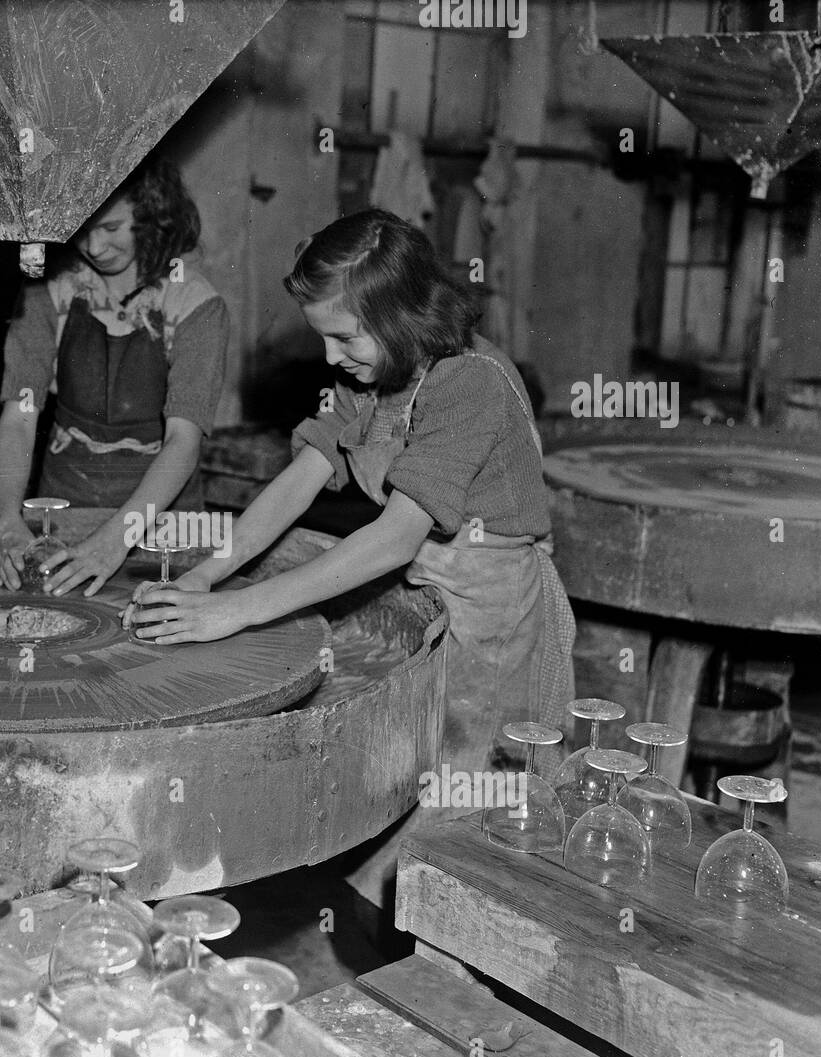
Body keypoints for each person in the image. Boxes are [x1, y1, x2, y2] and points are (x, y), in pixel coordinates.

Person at [125, 209, 576, 905]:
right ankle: (401, 927)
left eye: (343, 337)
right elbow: (297, 481)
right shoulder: (370, 380)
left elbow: (395, 537)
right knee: (409, 777)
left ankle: (453, 963)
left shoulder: (469, 383)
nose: (332, 357)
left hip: (494, 610)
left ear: (399, 314)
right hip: (429, 591)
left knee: (471, 796)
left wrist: (237, 611)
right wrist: (205, 575)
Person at [0, 158, 229, 598]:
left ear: (151, 214)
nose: (94, 246)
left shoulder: (194, 304)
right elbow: (19, 418)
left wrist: (116, 540)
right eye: (81, 229)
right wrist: (7, 524)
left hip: (162, 521)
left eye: (112, 228)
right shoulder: (49, 290)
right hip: (63, 505)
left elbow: (183, 441)